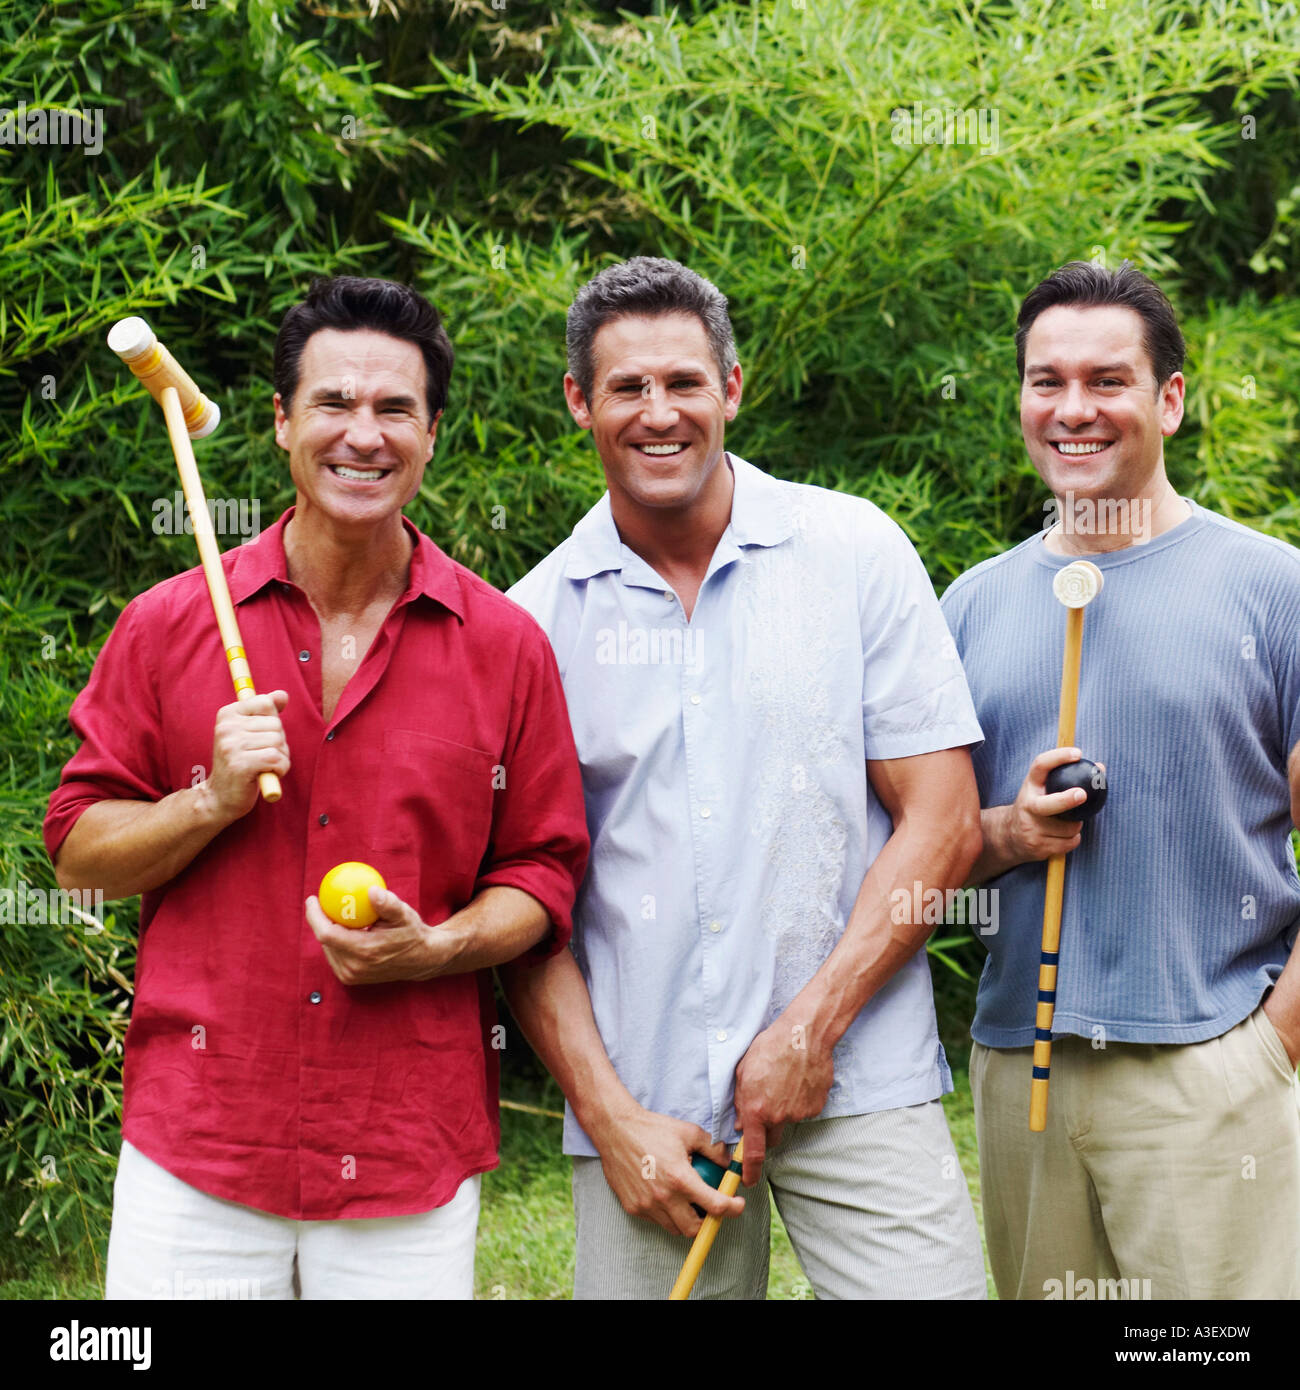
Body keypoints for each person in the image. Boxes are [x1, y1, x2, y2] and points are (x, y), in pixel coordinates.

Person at [46, 276, 589, 1300]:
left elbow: (542, 871)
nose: (364, 434)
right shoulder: (168, 626)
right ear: (283, 421)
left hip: (402, 1145)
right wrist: (205, 799)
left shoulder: (506, 647)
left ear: (432, 433)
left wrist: (437, 946)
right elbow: (78, 852)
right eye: (335, 403)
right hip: (200, 1141)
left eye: (395, 408)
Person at [503, 256, 988, 1299]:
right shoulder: (530, 622)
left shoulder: (853, 550)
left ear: (731, 388)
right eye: (627, 388)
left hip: (859, 1075)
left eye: (683, 382)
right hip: (646, 1114)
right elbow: (523, 901)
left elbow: (941, 819)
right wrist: (607, 1114)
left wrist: (811, 1025)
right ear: (579, 402)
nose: (658, 412)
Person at [941, 260, 1300, 1300]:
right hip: (1019, 1064)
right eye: (1045, 381)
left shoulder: (1272, 588)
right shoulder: (969, 603)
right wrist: (1011, 832)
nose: (1073, 409)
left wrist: (1268, 1047)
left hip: (1208, 1067)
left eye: (1107, 380)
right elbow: (924, 850)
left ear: (1169, 400)